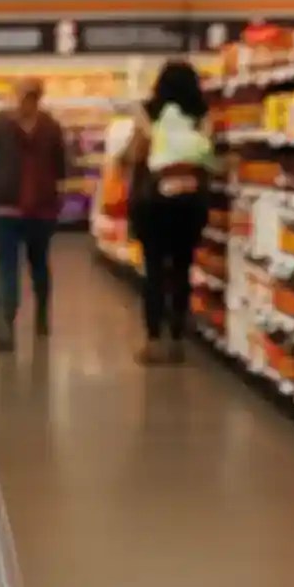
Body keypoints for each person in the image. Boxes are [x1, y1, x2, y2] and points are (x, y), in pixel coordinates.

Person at [125, 61, 214, 364]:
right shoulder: (202, 115)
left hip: (154, 203)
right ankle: (176, 338)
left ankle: (153, 340)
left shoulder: (145, 113)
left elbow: (137, 155)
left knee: (153, 271)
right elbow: (205, 154)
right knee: (181, 269)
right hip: (190, 204)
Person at [0, 78, 68, 351]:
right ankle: (14, 320)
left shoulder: (43, 127)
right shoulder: (8, 126)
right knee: (15, 265)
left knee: (30, 264)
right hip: (14, 207)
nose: (24, 102)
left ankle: (34, 315)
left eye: (28, 97)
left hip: (33, 207)